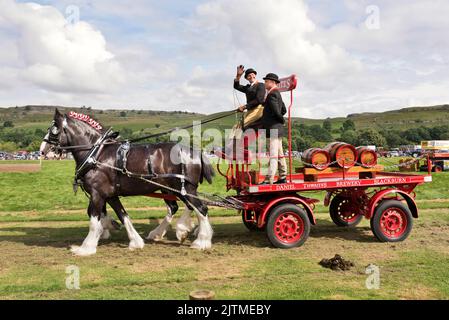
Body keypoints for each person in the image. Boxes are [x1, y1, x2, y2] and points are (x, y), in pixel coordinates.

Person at [260, 73, 287, 185]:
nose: (265, 83)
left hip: (273, 129)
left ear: (272, 82)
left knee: (273, 155)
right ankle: (283, 176)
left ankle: (268, 179)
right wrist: (279, 120)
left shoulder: (272, 95)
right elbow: (284, 109)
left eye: (266, 81)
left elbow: (277, 112)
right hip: (276, 129)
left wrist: (281, 120)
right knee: (279, 154)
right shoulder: (276, 93)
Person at [233, 66, 266, 130]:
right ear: (247, 78)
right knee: (236, 126)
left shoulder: (261, 85)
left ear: (255, 76)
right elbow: (236, 86)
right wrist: (238, 76)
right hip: (250, 110)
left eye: (252, 74)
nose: (251, 76)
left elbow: (259, 99)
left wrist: (244, 107)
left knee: (241, 126)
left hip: (258, 109)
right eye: (249, 76)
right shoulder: (248, 88)